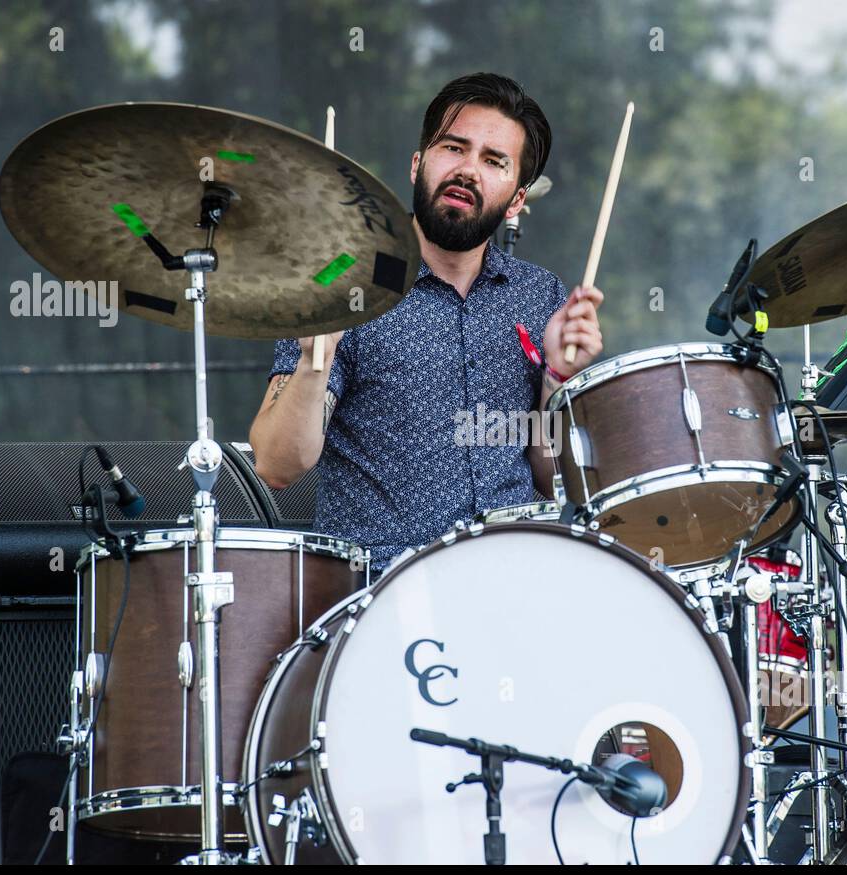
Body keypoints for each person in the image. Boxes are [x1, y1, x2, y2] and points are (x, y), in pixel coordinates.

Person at [249, 72, 604, 571]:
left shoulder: (539, 294)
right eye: (454, 149)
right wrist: (313, 361)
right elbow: (276, 465)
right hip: (384, 602)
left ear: (517, 200)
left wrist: (556, 378)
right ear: (418, 165)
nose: (468, 170)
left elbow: (554, 480)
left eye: (494, 161)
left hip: (517, 584)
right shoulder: (345, 286)